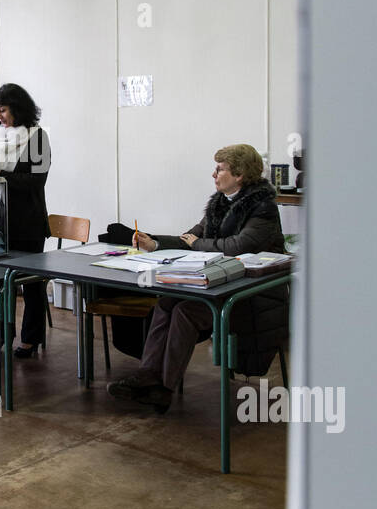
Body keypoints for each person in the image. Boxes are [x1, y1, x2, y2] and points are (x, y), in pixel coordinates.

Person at [108, 145, 287, 412]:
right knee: (167, 303)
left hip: (253, 295)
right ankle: (148, 375)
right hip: (221, 284)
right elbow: (189, 238)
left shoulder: (263, 207)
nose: (213, 174)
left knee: (186, 312)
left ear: (238, 175)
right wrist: (154, 243)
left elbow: (238, 246)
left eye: (220, 169)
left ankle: (164, 388)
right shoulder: (218, 204)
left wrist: (198, 243)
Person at [0, 83, 50, 358]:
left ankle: (30, 339)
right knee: (2, 282)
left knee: (31, 284)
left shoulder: (37, 137)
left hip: (28, 221)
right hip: (0, 220)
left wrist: (0, 172)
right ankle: (3, 335)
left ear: (18, 107)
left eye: (3, 109)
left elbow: (36, 182)